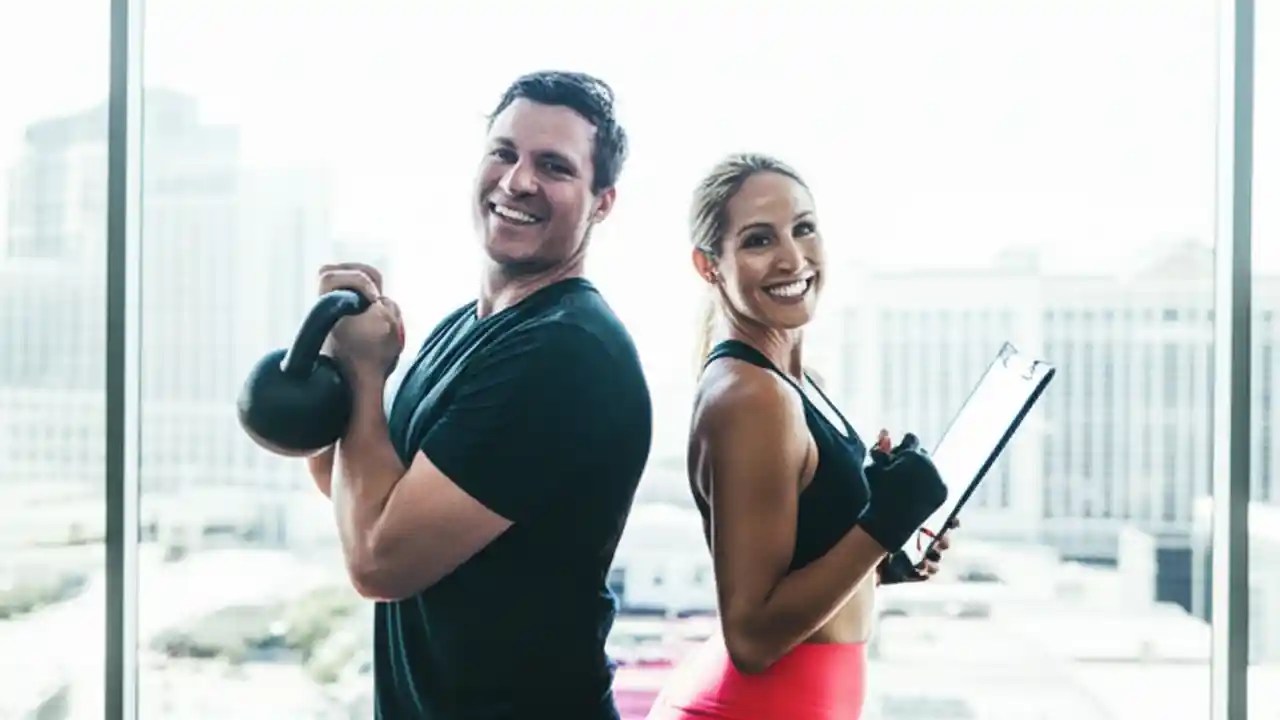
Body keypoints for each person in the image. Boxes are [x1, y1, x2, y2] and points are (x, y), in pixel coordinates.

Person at [305, 70, 653, 719]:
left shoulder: (564, 351)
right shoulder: (465, 329)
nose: (518, 181)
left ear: (602, 202)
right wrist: (332, 369)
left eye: (553, 166)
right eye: (504, 153)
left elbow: (379, 561)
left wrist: (365, 371)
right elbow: (362, 494)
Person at [646, 153, 958, 720]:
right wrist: (884, 524)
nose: (793, 258)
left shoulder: (799, 382)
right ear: (709, 265)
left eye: (804, 228)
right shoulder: (751, 398)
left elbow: (803, 564)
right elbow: (752, 638)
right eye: (759, 240)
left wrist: (885, 558)